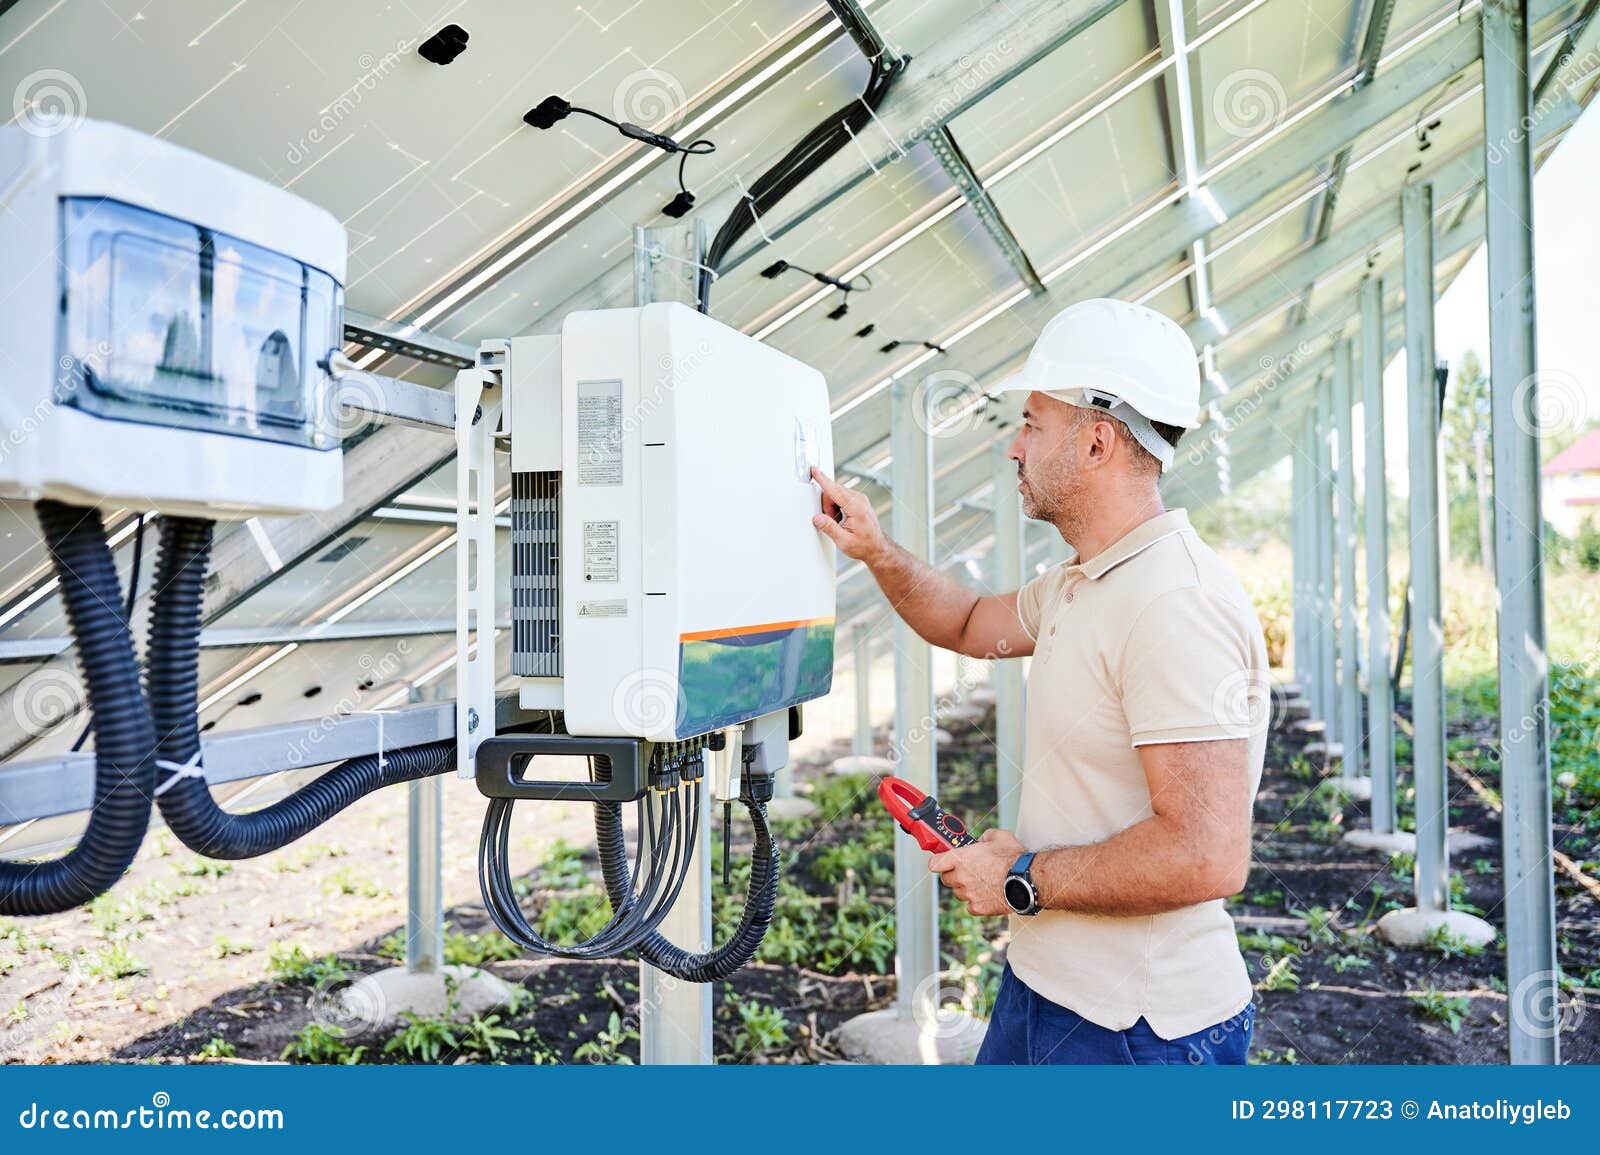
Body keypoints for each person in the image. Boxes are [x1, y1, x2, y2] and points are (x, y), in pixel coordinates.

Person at [810, 298, 1268, 1065]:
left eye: (1032, 424)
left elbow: (1206, 853)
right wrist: (877, 550)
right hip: (1048, 988)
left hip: (1138, 1032)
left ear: (1095, 442)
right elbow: (963, 623)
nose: (1014, 449)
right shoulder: (1082, 583)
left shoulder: (1174, 604)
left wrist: (1020, 876)